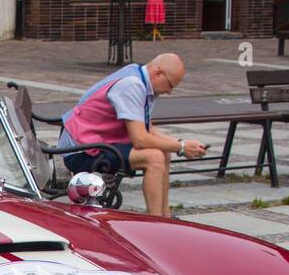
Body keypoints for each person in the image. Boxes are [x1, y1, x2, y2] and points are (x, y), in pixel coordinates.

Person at [57, 53, 204, 219]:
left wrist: (179, 144)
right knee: (154, 157)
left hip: (95, 143)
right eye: (170, 85)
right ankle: (155, 220)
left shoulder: (139, 75)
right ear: (158, 74)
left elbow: (146, 128)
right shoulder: (132, 85)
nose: (169, 92)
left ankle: (164, 216)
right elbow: (140, 139)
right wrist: (182, 147)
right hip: (80, 150)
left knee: (164, 152)